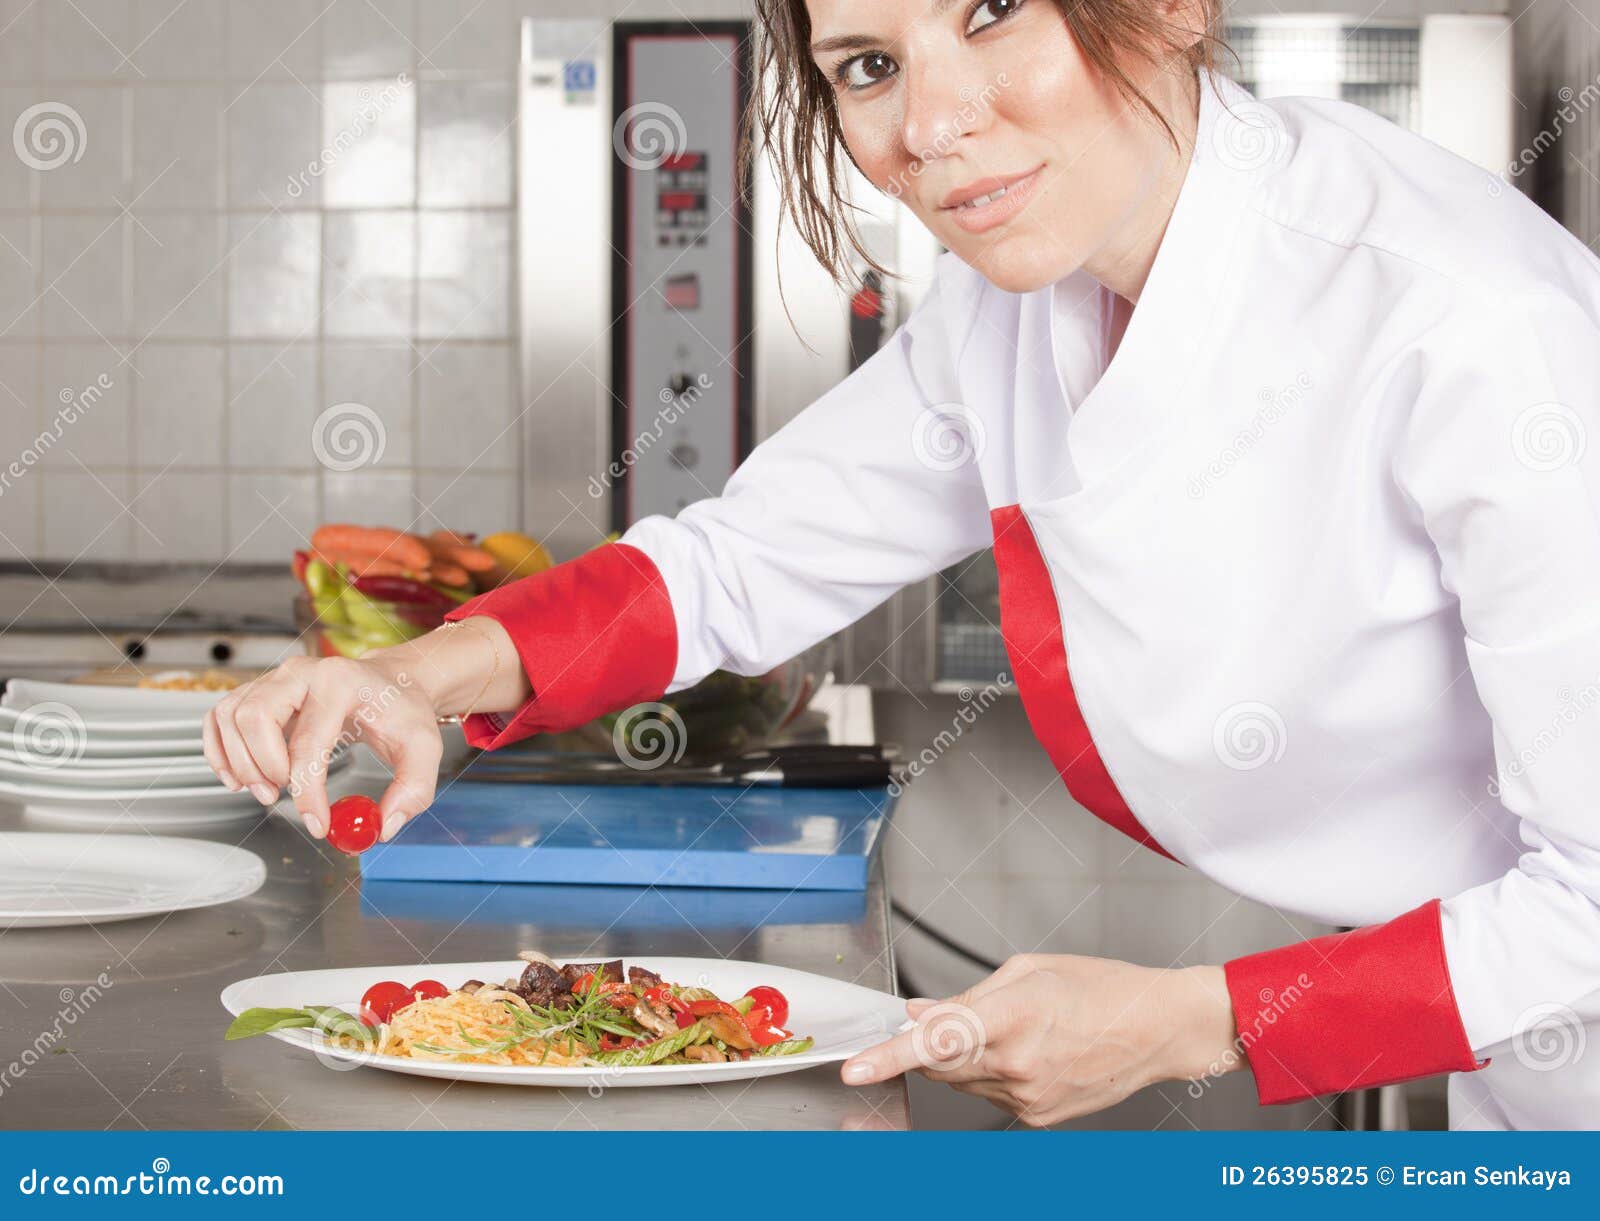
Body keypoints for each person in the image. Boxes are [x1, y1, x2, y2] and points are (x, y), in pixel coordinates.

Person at [204, 0, 1600, 1129]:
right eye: (868, 65)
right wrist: (409, 671)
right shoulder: (1023, 303)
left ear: (1172, 7)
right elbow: (734, 563)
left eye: (993, 11)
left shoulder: (1470, 322)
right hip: (1507, 1049)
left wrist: (1187, 1018)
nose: (929, 126)